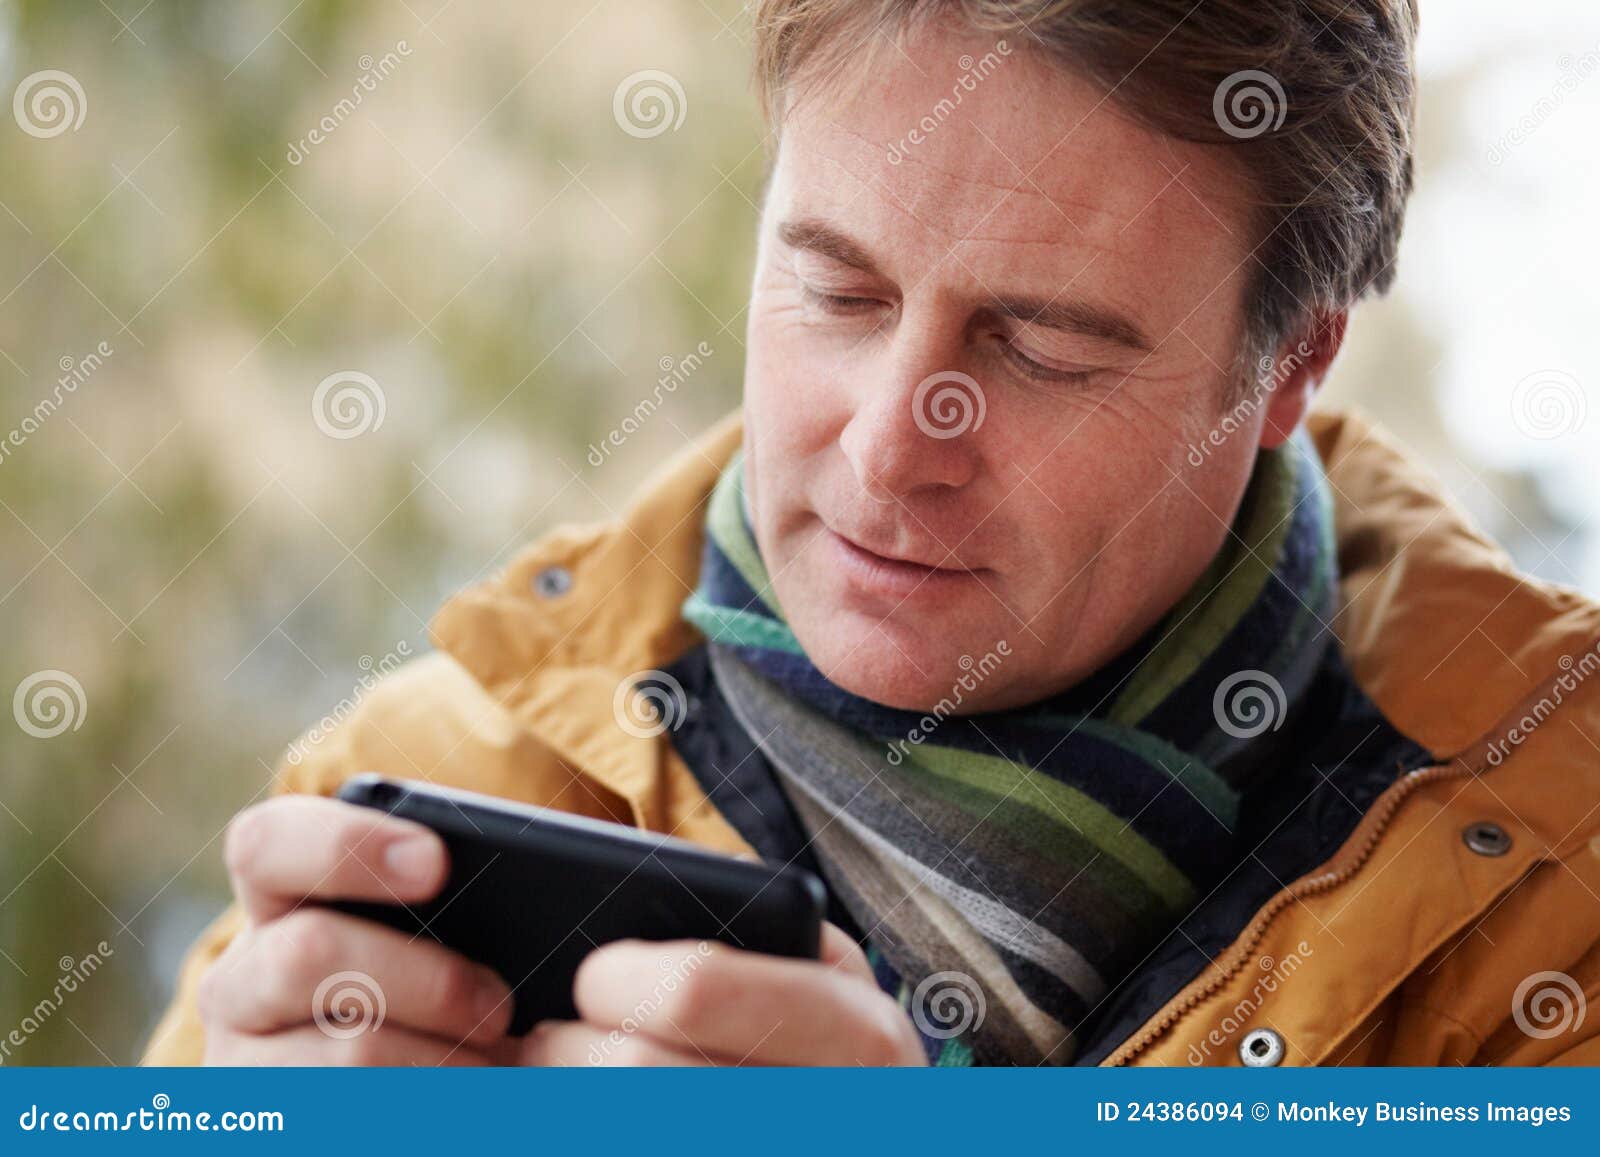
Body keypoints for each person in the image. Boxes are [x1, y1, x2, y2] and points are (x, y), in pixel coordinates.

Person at [145, 0, 1600, 1067]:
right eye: (837, 292)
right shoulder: (418, 778)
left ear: (1288, 366)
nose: (893, 443)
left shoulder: (1563, 891)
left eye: (1040, 347)